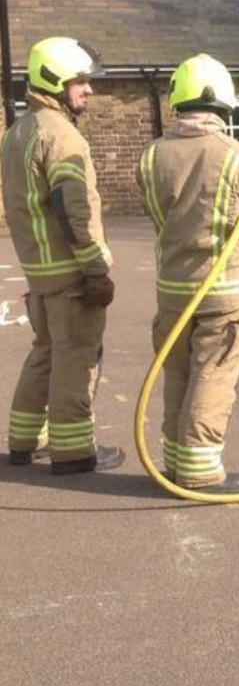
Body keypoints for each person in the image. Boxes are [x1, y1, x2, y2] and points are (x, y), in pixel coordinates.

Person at [136, 54, 239, 494]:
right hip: (224, 292)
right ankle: (200, 469)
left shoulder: (150, 157)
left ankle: (175, 465)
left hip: (172, 290)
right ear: (224, 104)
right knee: (213, 375)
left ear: (178, 101)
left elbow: (158, 215)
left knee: (177, 373)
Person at [2, 37, 124, 476]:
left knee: (46, 354)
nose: (88, 90)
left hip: (40, 272)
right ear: (56, 82)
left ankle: (24, 442)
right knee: (75, 358)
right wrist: (96, 271)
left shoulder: (19, 132)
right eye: (80, 82)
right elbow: (75, 211)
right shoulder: (62, 136)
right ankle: (74, 453)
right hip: (70, 274)